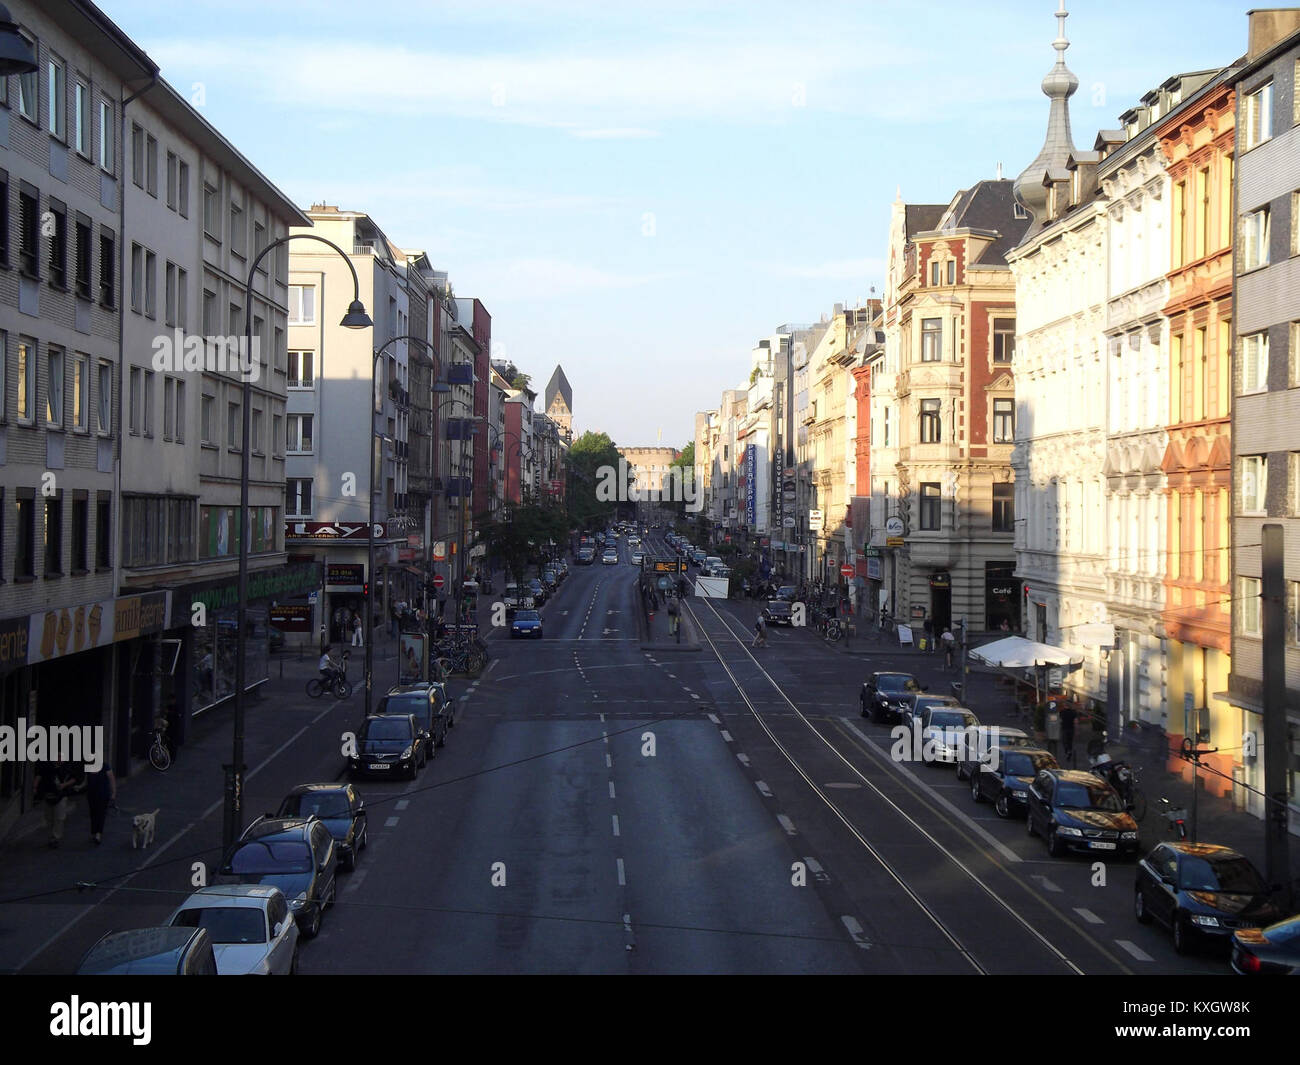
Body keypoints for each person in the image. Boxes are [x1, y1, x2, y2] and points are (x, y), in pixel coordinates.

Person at [35, 761, 80, 848]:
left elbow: (74, 778)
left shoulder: (66, 767)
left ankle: (55, 837)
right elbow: (39, 776)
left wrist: (64, 785)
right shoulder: (47, 766)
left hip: (61, 796)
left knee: (59, 817)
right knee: (49, 818)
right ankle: (51, 835)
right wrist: (35, 787)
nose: (60, 759)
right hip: (48, 795)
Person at [86, 764, 116, 844]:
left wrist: (113, 793)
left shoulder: (105, 767)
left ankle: (98, 834)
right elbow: (86, 781)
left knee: (101, 813)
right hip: (91, 795)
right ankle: (94, 832)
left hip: (103, 795)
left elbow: (111, 779)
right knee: (93, 813)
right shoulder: (89, 767)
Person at [1060, 701, 1077, 766]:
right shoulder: (1073, 712)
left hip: (1064, 729)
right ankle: (1069, 751)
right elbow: (1075, 721)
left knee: (1064, 741)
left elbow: (1060, 719)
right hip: (1071, 729)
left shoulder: (1062, 712)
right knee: (1070, 741)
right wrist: (1076, 730)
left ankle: (1067, 751)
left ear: (1065, 705)